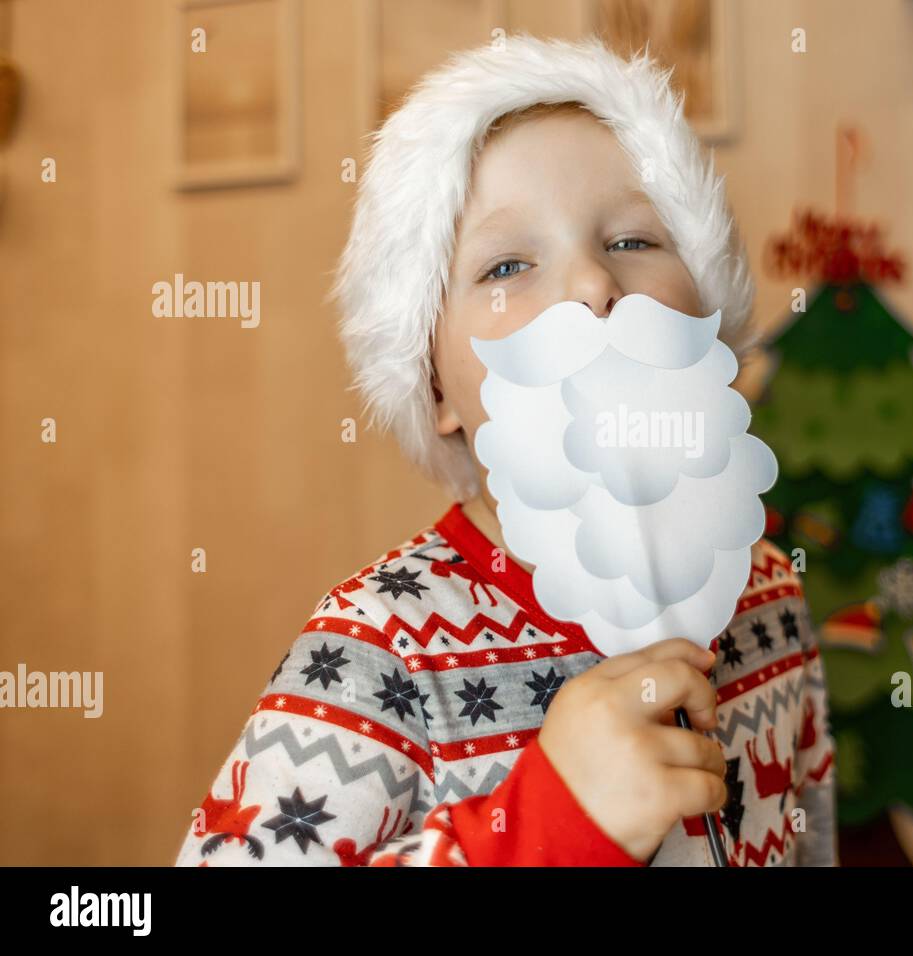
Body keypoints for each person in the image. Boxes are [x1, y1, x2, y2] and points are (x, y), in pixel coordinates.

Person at [174, 34, 838, 867]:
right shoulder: (377, 650)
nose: (593, 286)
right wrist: (543, 830)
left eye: (633, 240)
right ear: (436, 389)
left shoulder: (771, 595)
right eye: (508, 264)